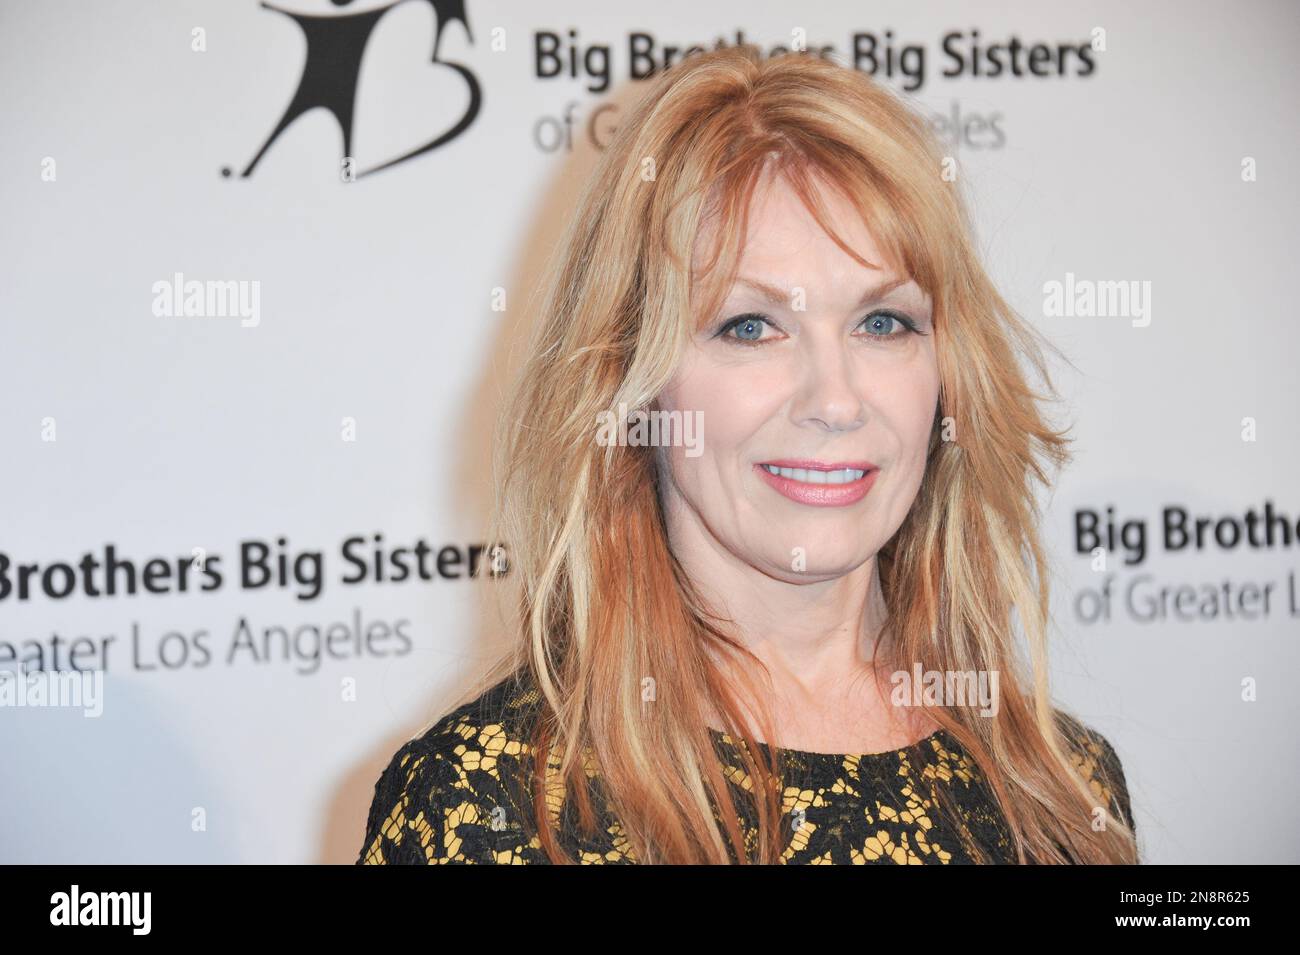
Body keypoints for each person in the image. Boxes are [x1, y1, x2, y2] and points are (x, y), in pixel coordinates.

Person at [359, 45, 1138, 865]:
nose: (836, 401)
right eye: (750, 327)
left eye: (883, 323)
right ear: (631, 377)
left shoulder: (1063, 785)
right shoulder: (485, 809)